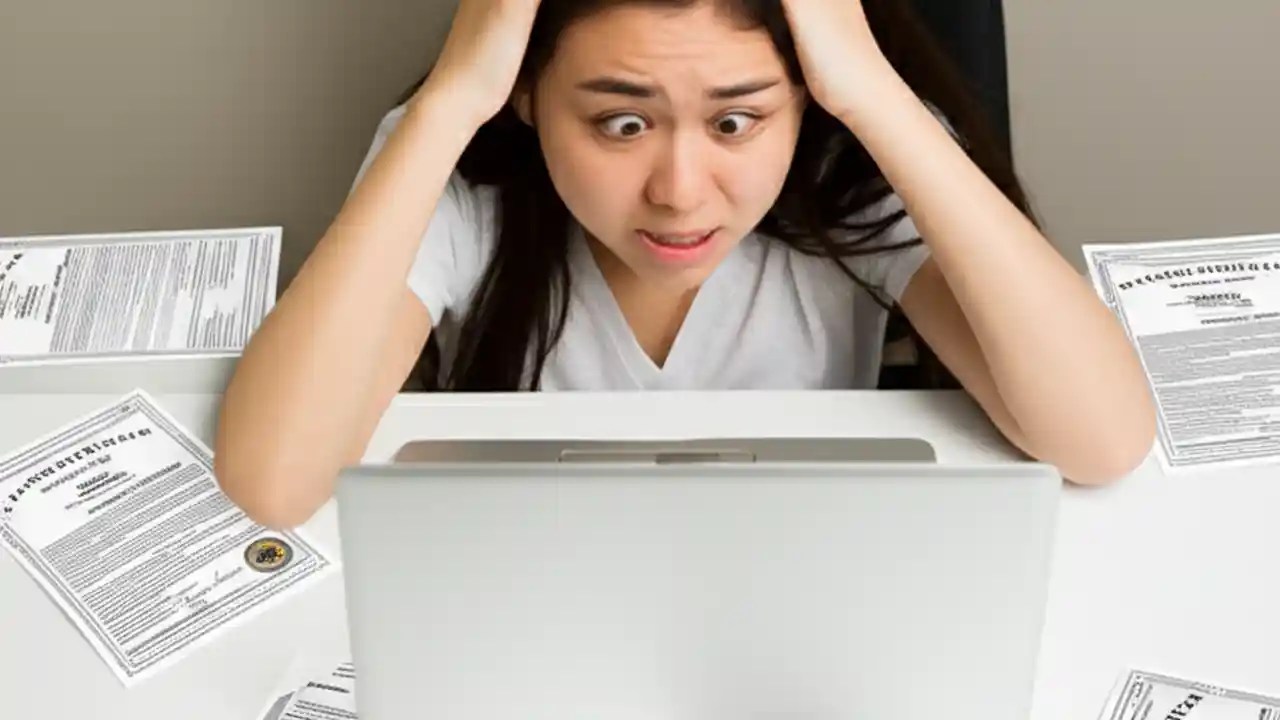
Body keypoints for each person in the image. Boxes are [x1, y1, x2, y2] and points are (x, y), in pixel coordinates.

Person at [214, 0, 1157, 529]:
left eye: (737, 121)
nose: (680, 190)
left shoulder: (846, 169)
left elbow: (1103, 441)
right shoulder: (466, 178)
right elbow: (274, 481)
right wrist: (451, 101)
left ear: (806, 102)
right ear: (529, 96)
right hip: (519, 581)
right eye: (620, 123)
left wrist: (869, 89)